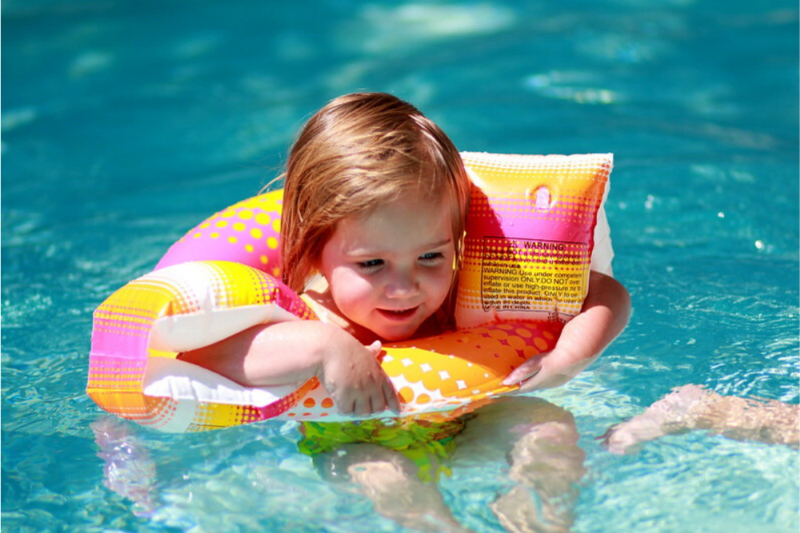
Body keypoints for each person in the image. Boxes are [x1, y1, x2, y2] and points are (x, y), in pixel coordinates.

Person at [178, 92, 632, 531]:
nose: (404, 287)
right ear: (314, 249)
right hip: (356, 444)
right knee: (380, 473)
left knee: (548, 428)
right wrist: (323, 346)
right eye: (372, 264)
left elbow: (604, 293)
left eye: (431, 257)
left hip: (471, 420)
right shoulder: (307, 318)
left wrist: (567, 355)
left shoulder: (465, 288)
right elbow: (201, 357)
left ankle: (540, 523)